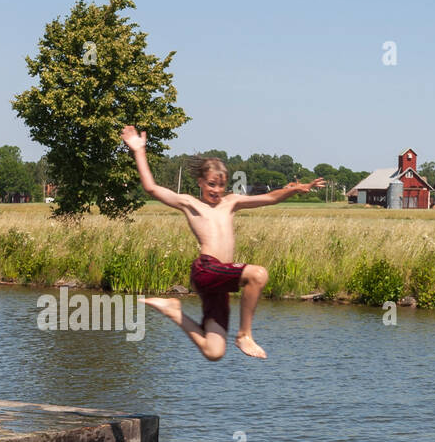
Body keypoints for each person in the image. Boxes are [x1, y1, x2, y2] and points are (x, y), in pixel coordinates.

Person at [121, 124, 324, 359]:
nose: (216, 190)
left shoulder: (232, 202)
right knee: (258, 275)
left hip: (219, 280)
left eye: (220, 185)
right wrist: (138, 150)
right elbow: (151, 188)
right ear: (200, 182)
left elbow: (269, 197)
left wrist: (296, 189)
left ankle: (175, 312)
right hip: (206, 269)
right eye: (211, 184)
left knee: (214, 352)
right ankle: (244, 335)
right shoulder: (190, 203)